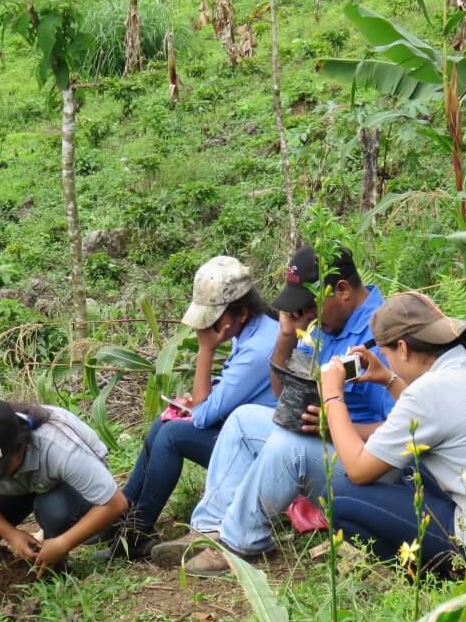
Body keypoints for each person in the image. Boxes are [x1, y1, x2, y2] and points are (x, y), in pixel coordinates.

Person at [162, 247, 396, 577]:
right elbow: (281, 393)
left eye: (310, 305)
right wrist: (286, 336)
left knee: (291, 448)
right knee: (244, 418)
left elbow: (400, 431)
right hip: (329, 446)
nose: (305, 313)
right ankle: (210, 529)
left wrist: (335, 428)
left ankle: (240, 543)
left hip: (370, 467)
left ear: (342, 290)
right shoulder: (324, 328)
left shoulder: (384, 331)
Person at [321, 292, 466, 578]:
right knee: (410, 466)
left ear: (402, 347)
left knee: (339, 498)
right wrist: (387, 378)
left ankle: (437, 584)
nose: (389, 363)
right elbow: (433, 420)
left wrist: (332, 395)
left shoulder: (429, 392)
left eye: (387, 355)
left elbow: (359, 469)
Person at [104, 256, 280, 560]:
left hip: (259, 453)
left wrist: (206, 349)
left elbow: (204, 414)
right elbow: (225, 391)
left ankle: (135, 532)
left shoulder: (257, 348)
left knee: (172, 436)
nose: (206, 328)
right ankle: (119, 516)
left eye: (211, 321)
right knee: (162, 425)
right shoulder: (254, 330)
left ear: (240, 313)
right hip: (246, 433)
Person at [0, 399, 128, 571]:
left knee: (54, 510)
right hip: (12, 492)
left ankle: (55, 554)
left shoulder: (60, 447)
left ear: (19, 448)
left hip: (63, 487)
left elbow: (115, 503)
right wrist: (11, 535)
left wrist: (62, 543)